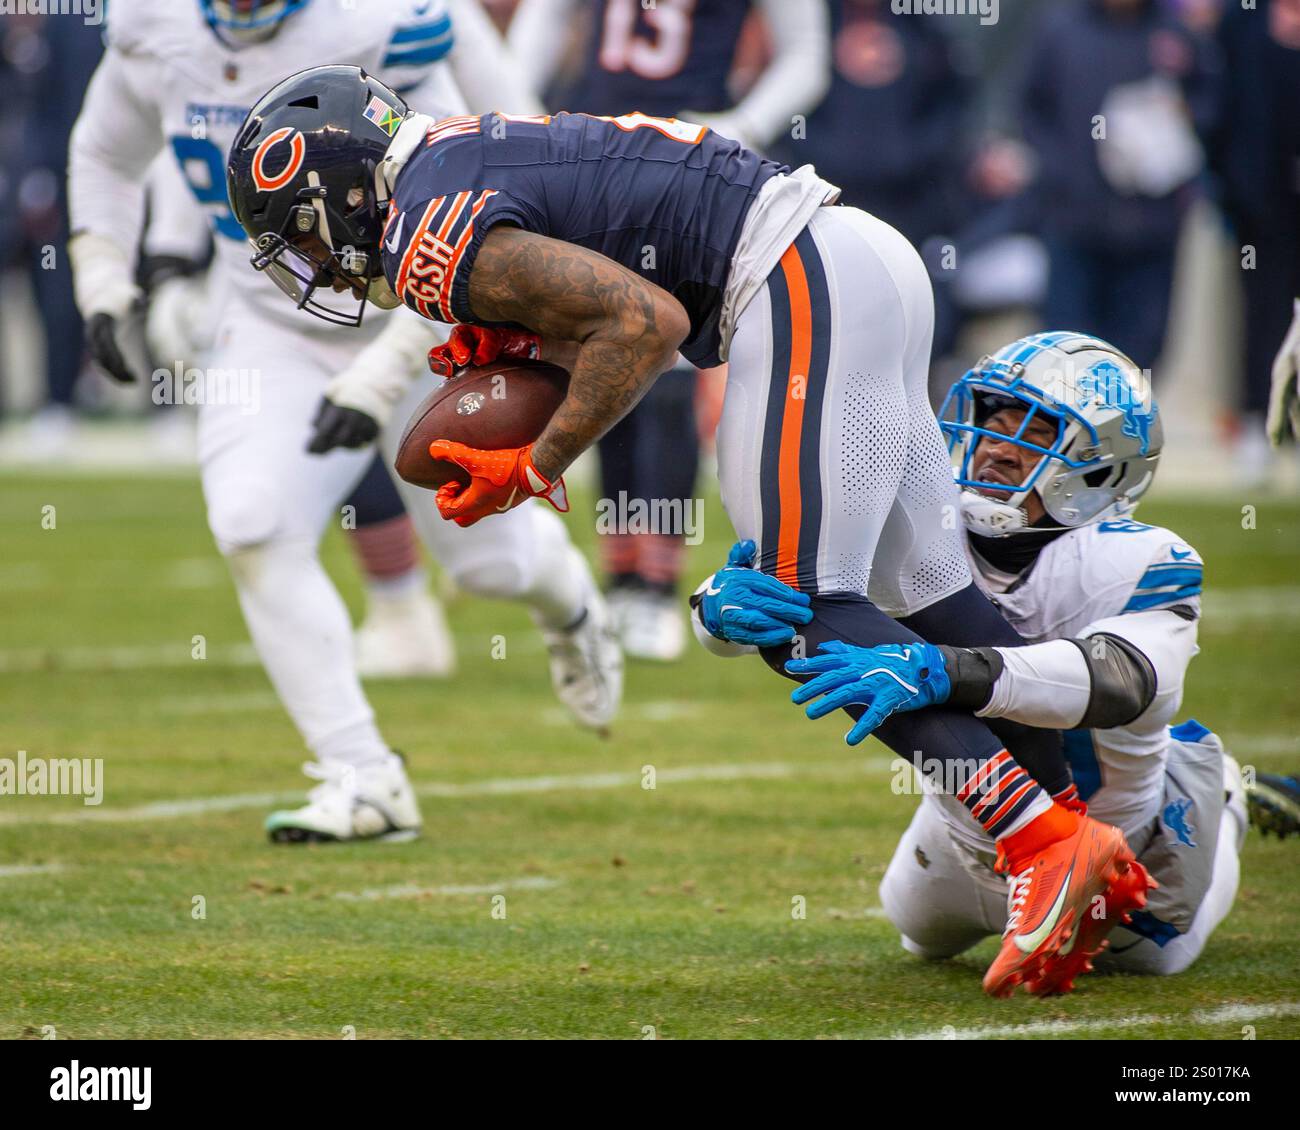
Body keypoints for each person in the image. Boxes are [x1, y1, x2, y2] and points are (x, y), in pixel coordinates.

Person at [227, 66, 1149, 995]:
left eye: (304, 230)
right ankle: (1082, 836)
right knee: (935, 598)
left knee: (784, 608)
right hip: (853, 257)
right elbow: (623, 268)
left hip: (790, 280)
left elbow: (643, 323)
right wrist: (525, 341)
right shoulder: (454, 158)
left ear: (343, 186)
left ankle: (1042, 841)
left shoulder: (425, 223)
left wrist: (537, 463)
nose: (317, 260)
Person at [68, 0, 622, 845]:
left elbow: (467, 195)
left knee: (487, 564)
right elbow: (108, 150)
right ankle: (362, 776)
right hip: (271, 320)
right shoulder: (156, 25)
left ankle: (572, 604)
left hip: (425, 311)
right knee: (253, 524)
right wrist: (104, 272)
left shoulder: (374, 26)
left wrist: (383, 370)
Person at [693, 332, 1242, 989]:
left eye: (1037, 428)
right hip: (963, 840)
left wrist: (944, 668)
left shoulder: (1139, 559)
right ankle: (1023, 850)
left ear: (1103, 468)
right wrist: (714, 613)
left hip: (1125, 847)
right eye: (993, 419)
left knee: (1148, 959)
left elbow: (1117, 682)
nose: (999, 445)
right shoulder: (919, 527)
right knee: (915, 931)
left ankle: (1227, 794)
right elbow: (799, 608)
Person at [506, 0, 831, 661]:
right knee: (602, 363)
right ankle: (622, 576)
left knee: (669, 380)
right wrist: (517, 107)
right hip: (592, 150)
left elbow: (807, 58)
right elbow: (545, 16)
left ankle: (656, 584)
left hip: (690, 164)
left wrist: (742, 124)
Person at [1018, 0, 1220, 373]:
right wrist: (1061, 172)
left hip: (1150, 225)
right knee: (1066, 351)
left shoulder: (1176, 33)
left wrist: (1174, 126)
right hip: (1074, 220)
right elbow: (1031, 109)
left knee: (1138, 355)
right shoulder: (1060, 29)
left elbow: (1212, 107)